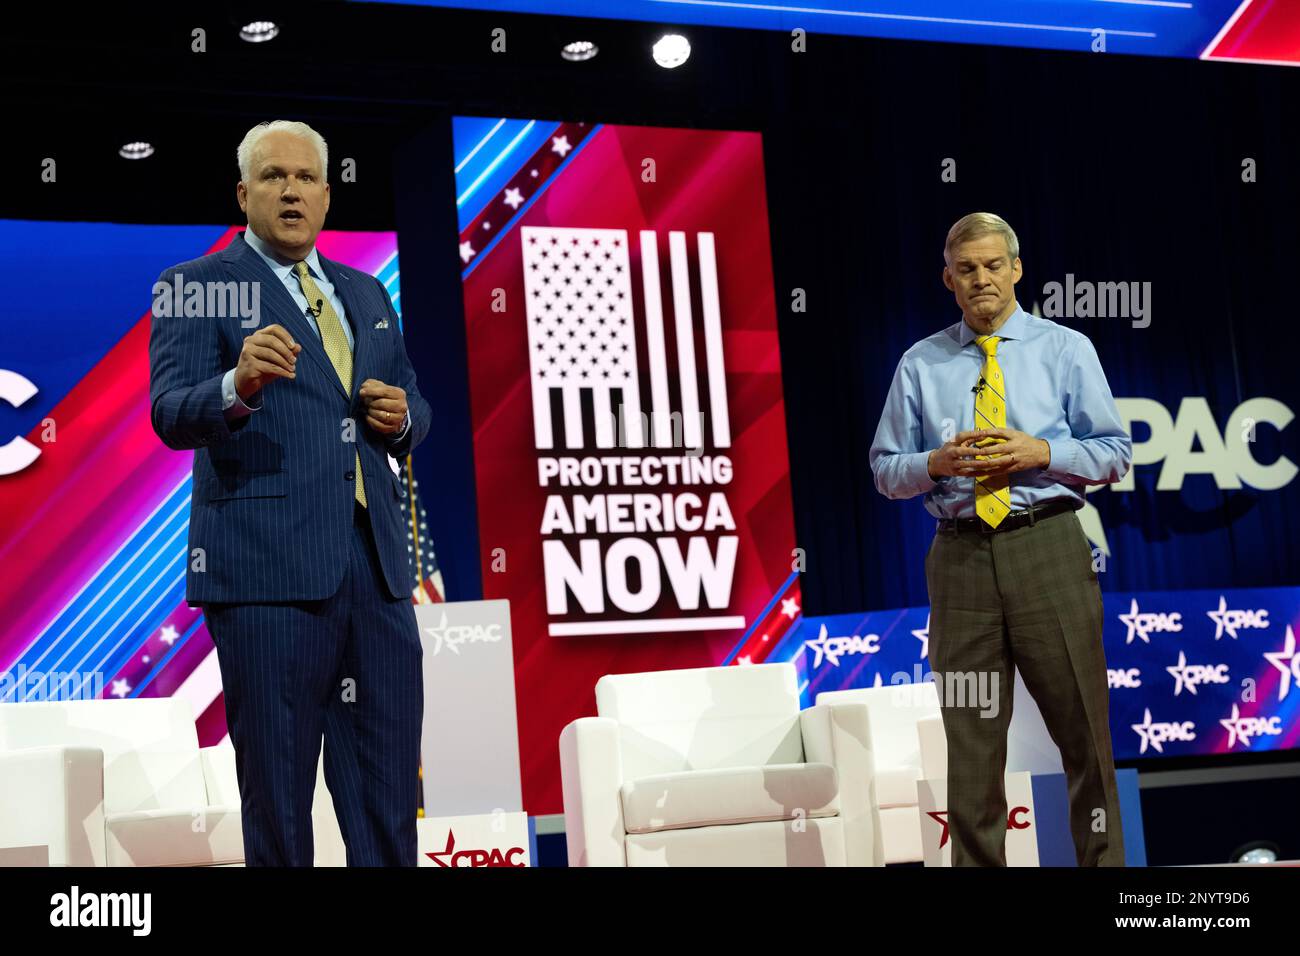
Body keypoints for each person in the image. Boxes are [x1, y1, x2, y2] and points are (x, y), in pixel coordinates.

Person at [149, 119, 432, 866]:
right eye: (273, 177)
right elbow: (170, 413)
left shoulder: (366, 291)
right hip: (266, 581)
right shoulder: (194, 288)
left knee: (388, 804)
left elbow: (411, 401)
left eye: (307, 178)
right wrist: (235, 386)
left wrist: (404, 420)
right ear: (244, 194)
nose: (292, 190)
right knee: (277, 805)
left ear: (328, 194)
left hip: (375, 580)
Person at [868, 212, 1131, 866]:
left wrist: (1039, 450)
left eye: (993, 266)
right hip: (959, 566)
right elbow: (884, 469)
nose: (981, 279)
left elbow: (1114, 453)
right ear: (948, 280)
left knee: (1084, 741)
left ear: (1016, 268)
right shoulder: (920, 363)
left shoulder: (1065, 350)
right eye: (967, 270)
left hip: (1049, 551)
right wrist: (936, 463)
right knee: (971, 745)